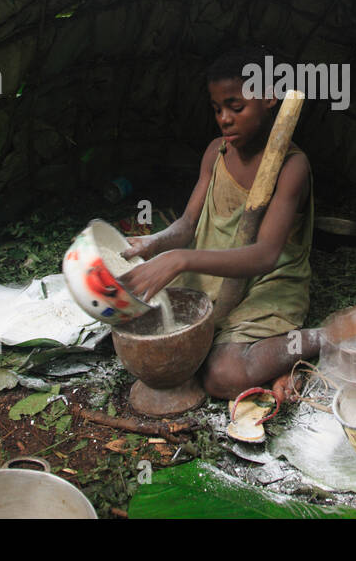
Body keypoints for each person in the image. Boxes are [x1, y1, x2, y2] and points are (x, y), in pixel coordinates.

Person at [120, 49, 319, 402]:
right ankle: (265, 359)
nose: (224, 119)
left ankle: (322, 338)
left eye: (236, 107)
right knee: (136, 331)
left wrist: (181, 260)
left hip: (268, 282)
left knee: (221, 376)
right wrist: (154, 244)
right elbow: (186, 224)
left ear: (269, 97)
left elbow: (265, 255)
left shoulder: (293, 166)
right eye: (217, 109)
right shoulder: (216, 152)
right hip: (212, 274)